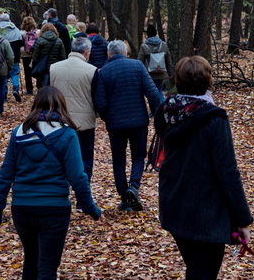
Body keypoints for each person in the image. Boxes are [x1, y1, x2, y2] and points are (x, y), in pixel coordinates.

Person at [154, 56, 253, 279]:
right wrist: (243, 220)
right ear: (208, 81)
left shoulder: (168, 112)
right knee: (203, 270)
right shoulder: (213, 119)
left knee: (197, 268)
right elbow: (228, 172)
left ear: (178, 81)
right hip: (203, 215)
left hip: (175, 207)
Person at [0, 86, 101, 280]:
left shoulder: (19, 133)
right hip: (53, 210)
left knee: (31, 261)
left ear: (35, 105)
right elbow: (77, 177)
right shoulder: (67, 135)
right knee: (47, 268)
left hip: (22, 209)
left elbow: (5, 175)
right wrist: (91, 208)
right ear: (61, 105)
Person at [94, 40, 161, 212]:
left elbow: (100, 103)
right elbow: (153, 94)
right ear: (125, 52)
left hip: (116, 125)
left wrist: (107, 118)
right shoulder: (137, 66)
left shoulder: (103, 72)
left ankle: (125, 198)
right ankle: (134, 187)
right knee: (138, 156)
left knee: (119, 160)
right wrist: (158, 118)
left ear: (109, 54)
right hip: (138, 121)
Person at [50, 37, 98, 181]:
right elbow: (97, 97)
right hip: (85, 122)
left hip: (59, 120)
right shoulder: (92, 70)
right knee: (85, 160)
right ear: (87, 52)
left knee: (61, 157)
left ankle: (61, 193)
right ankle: (82, 196)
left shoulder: (54, 68)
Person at [137, 24, 172, 102]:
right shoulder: (163, 45)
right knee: (159, 89)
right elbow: (168, 60)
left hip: (148, 74)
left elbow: (139, 61)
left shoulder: (144, 47)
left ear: (147, 34)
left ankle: (155, 109)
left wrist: (139, 74)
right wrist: (170, 73)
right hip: (161, 72)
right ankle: (162, 107)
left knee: (150, 92)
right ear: (156, 33)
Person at [0, 13, 24, 103]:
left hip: (2, 56)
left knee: (4, 75)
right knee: (14, 73)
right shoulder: (15, 29)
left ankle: (4, 93)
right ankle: (16, 89)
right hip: (14, 55)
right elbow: (21, 42)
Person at [31, 22, 66, 87]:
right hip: (56, 68)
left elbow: (35, 57)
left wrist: (34, 66)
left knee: (45, 86)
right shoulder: (59, 41)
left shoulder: (40, 41)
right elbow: (63, 57)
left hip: (44, 68)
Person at [20, 16, 38, 95]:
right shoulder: (37, 32)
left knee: (27, 73)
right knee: (37, 70)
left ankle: (29, 89)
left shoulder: (22, 33)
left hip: (25, 54)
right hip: (35, 53)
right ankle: (39, 87)